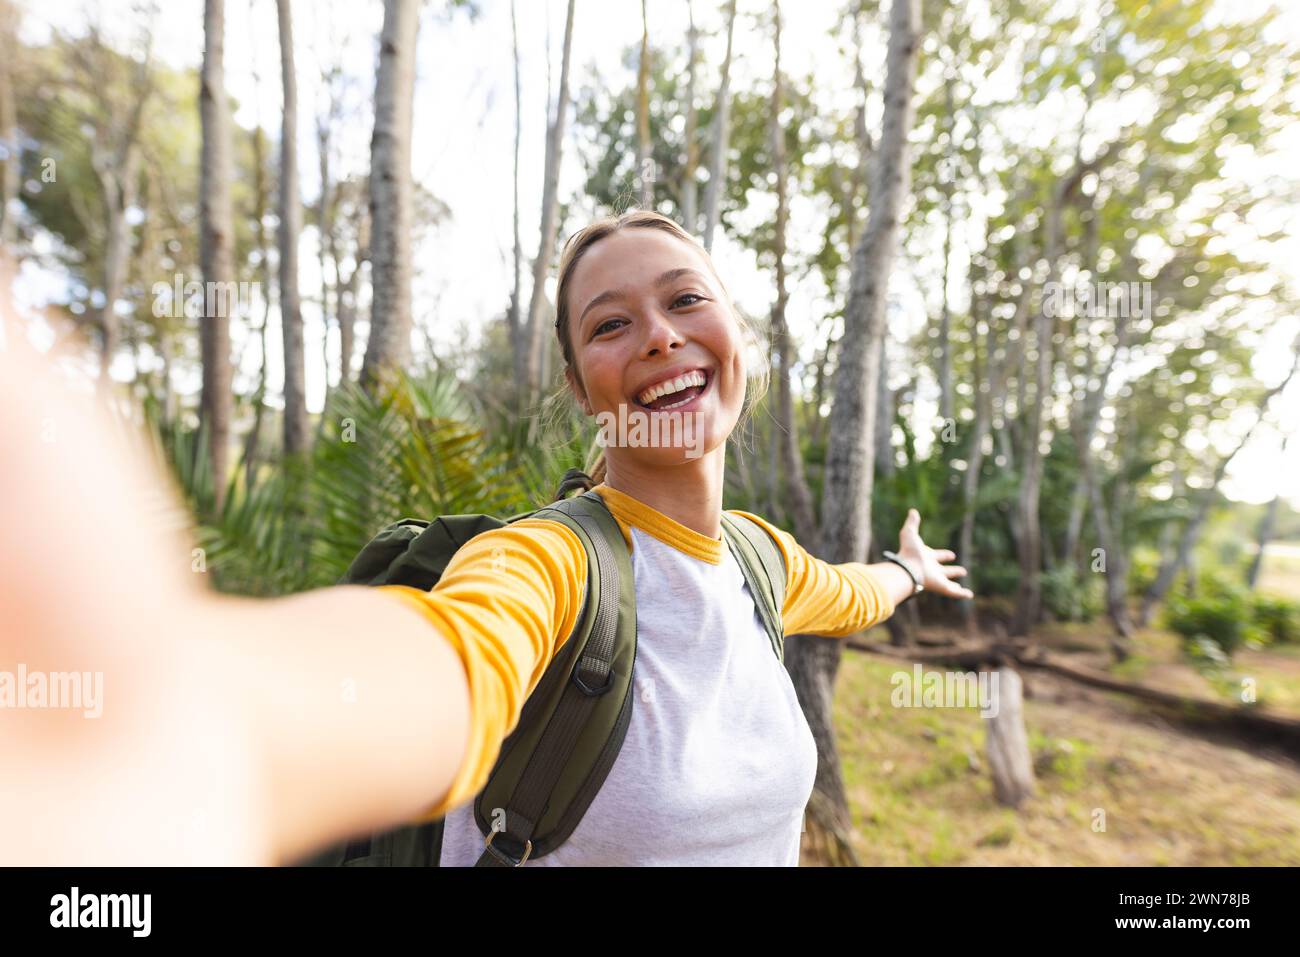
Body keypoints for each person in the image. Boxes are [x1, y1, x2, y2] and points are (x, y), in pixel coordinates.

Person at [0, 211, 972, 866]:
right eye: (609, 325)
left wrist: (906, 570)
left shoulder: (761, 559)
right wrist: (185, 732)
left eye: (685, 301)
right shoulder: (544, 564)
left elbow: (847, 594)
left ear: (733, 332)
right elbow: (446, 673)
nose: (660, 337)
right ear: (579, 385)